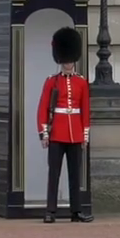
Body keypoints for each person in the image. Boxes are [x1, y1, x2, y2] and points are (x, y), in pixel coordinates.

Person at [36, 25, 92, 223]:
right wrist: (44, 133)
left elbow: (85, 110)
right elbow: (43, 108)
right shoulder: (52, 81)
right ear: (61, 60)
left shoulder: (82, 82)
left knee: (75, 175)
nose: (68, 64)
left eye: (70, 60)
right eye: (65, 60)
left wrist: (85, 135)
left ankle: (76, 211)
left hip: (75, 133)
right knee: (54, 174)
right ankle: (50, 210)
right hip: (57, 132)